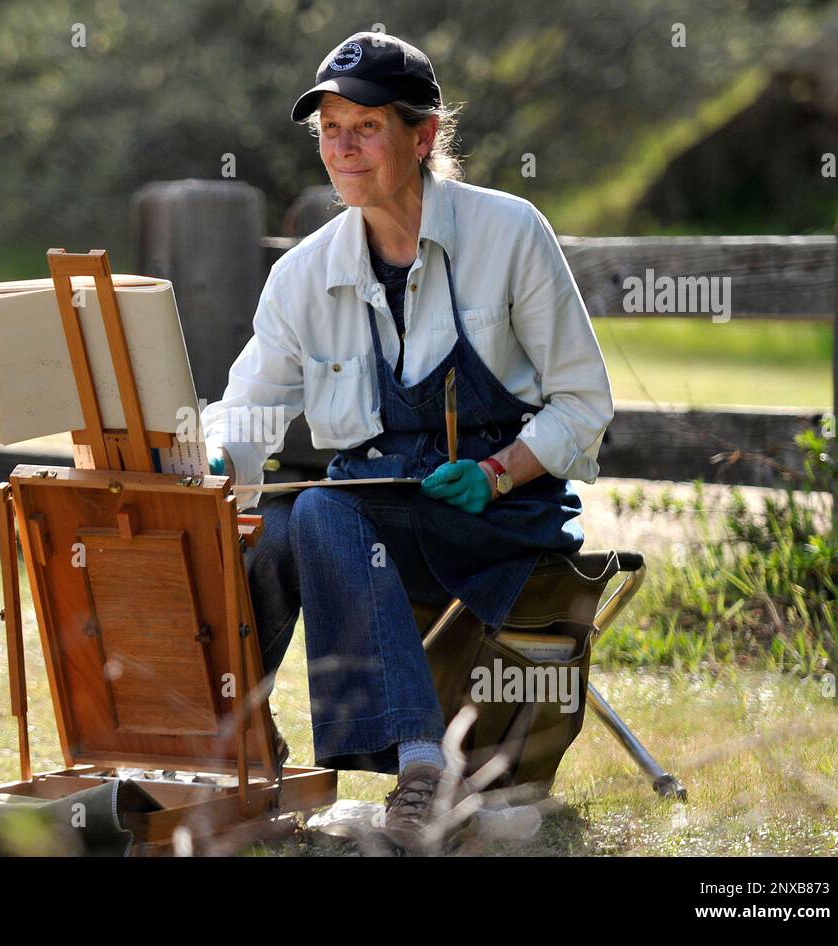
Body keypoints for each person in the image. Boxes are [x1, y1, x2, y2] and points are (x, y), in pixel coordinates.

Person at [201, 31, 614, 851]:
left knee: (315, 512)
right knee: (277, 525)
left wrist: (499, 470)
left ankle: (418, 769)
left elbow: (584, 404)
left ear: (422, 137)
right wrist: (217, 458)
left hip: (498, 516)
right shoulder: (303, 274)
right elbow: (247, 406)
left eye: (366, 128)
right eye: (329, 131)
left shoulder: (509, 234)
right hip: (370, 518)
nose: (343, 149)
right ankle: (236, 748)